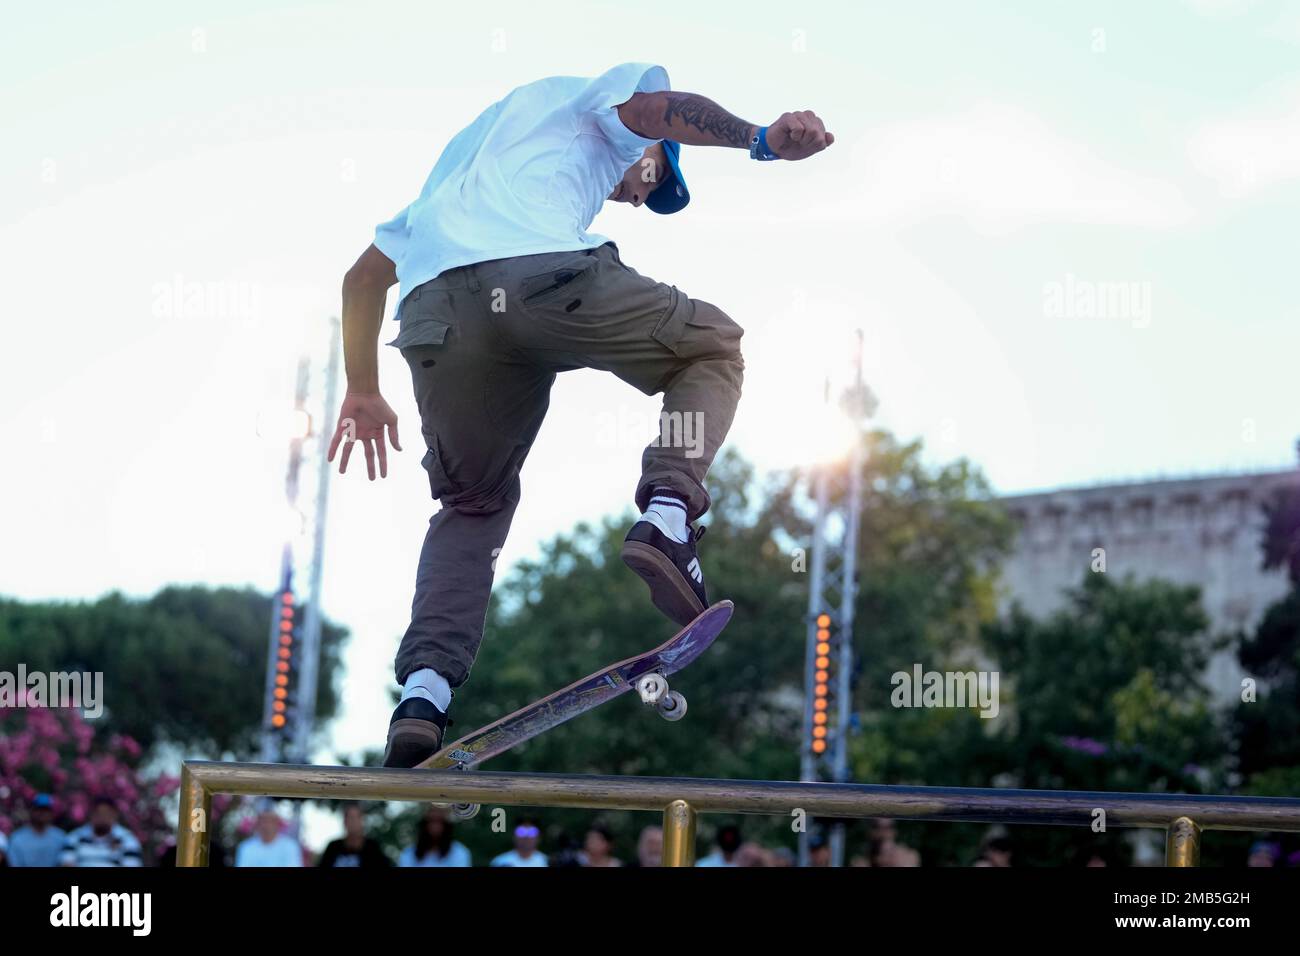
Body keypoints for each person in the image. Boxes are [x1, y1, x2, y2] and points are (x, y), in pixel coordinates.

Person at [325, 63, 833, 766]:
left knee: (471, 505)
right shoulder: (598, 100)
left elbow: (361, 280)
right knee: (713, 349)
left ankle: (424, 695)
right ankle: (668, 515)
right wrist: (761, 141)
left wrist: (362, 387)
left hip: (436, 315)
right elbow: (658, 108)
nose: (634, 194)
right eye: (653, 179)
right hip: (543, 278)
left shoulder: (456, 178)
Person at [60, 797, 142, 867]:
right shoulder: (74, 837)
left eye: (106, 813)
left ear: (114, 814)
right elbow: (67, 863)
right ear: (91, 814)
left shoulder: (127, 839)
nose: (102, 817)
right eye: (98, 813)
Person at [319, 802, 392, 868]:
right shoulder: (333, 848)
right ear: (344, 822)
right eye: (350, 818)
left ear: (362, 821)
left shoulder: (373, 849)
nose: (353, 822)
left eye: (355, 818)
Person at [399, 806, 471, 867]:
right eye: (431, 821)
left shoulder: (459, 853)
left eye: (439, 821)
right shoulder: (409, 853)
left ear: (446, 825)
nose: (435, 827)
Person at [8, 793, 67, 867]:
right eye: (39, 809)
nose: (42, 813)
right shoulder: (17, 838)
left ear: (51, 813)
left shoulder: (60, 836)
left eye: (46, 810)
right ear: (31, 811)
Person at [235, 807, 302, 867]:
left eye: (270, 821)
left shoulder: (290, 846)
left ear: (276, 823)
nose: (266, 825)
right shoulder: (246, 847)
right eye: (263, 820)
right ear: (258, 823)